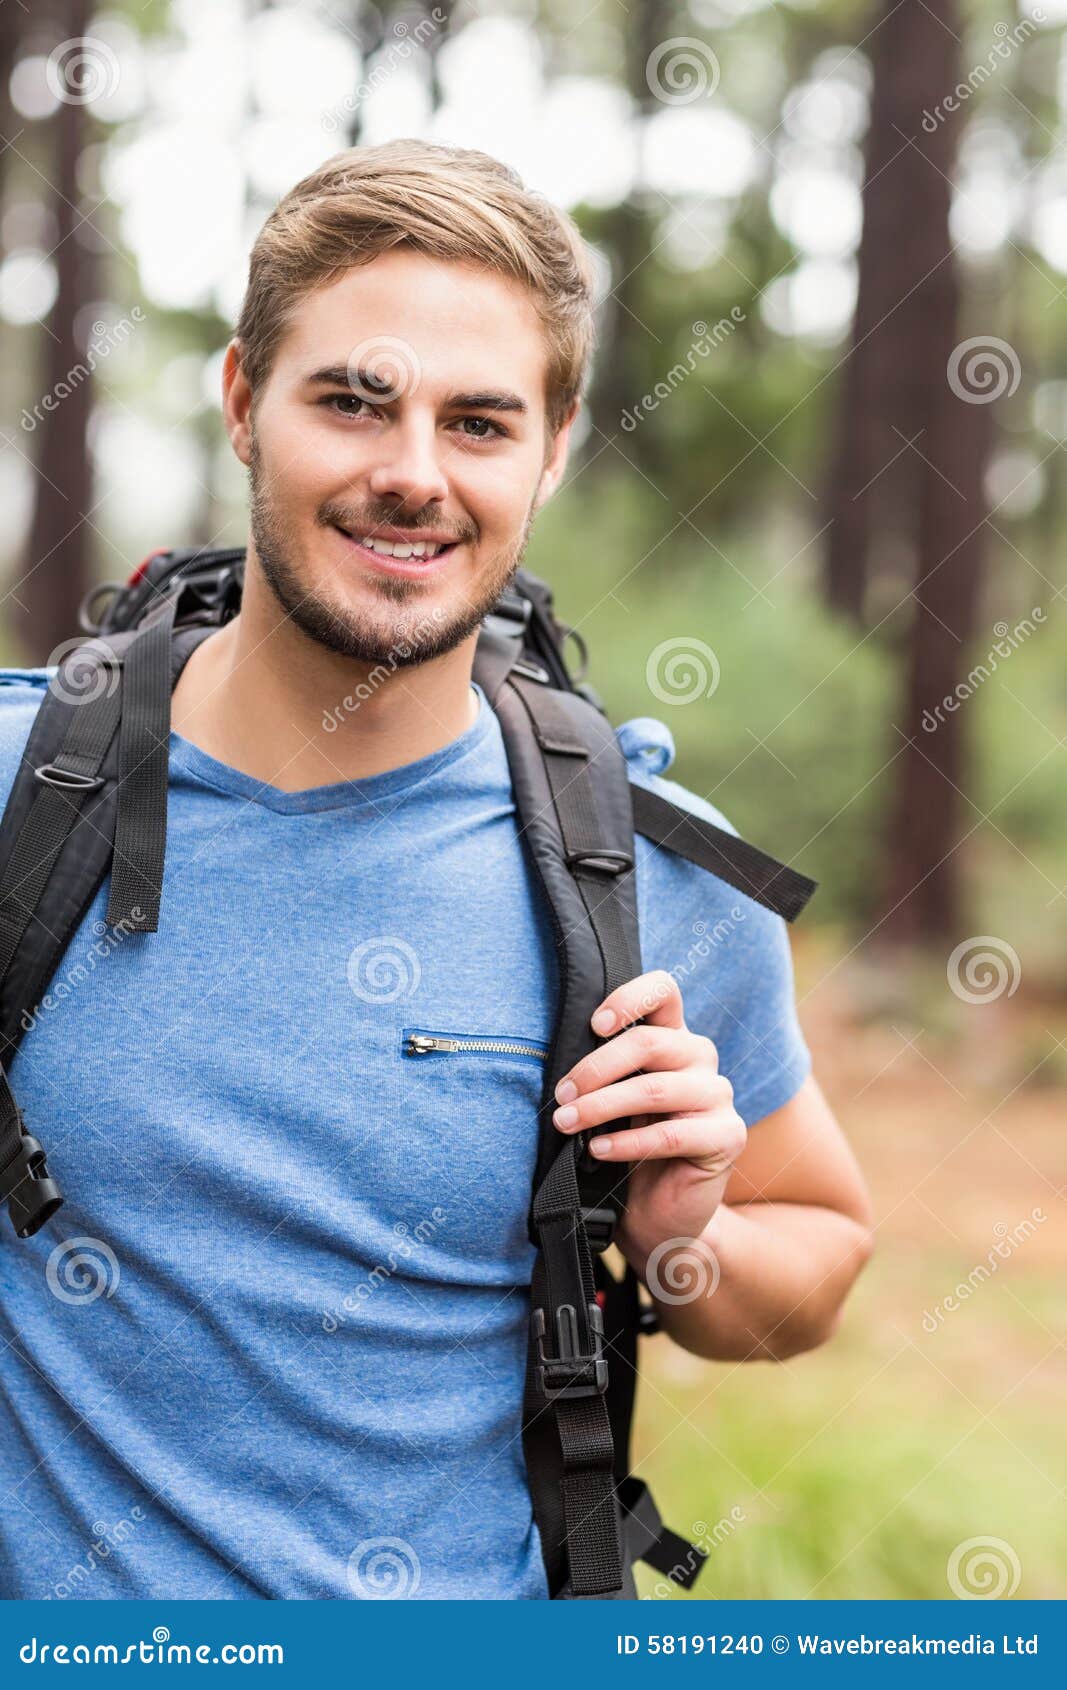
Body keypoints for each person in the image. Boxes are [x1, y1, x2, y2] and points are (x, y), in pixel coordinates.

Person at [0, 139, 872, 1602]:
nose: (412, 474)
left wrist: (684, 1238)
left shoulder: (643, 874)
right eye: (353, 400)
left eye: (479, 421)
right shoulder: (22, 793)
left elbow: (820, 1252)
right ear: (241, 402)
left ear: (553, 445)